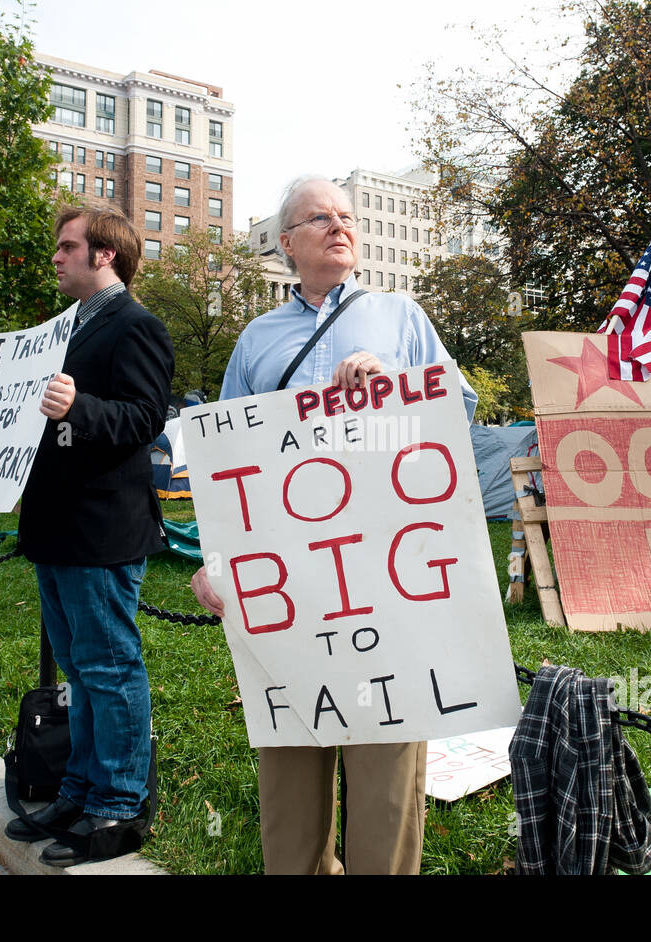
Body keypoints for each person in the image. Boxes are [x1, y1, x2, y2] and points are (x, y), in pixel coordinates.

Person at [190, 176, 476, 875]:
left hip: (384, 572)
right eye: (320, 217)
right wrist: (216, 557)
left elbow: (456, 413)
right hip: (290, 581)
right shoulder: (257, 338)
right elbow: (226, 462)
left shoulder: (400, 318)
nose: (339, 226)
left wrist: (389, 385)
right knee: (290, 755)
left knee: (386, 764)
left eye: (346, 216)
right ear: (287, 242)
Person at [0, 204, 174, 866]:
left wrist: (76, 406)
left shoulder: (136, 326)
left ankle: (119, 803)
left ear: (103, 254)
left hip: (103, 526)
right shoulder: (58, 331)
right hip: (53, 525)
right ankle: (78, 791)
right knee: (78, 669)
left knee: (109, 667)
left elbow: (142, 419)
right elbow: (39, 419)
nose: (55, 256)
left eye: (66, 246)